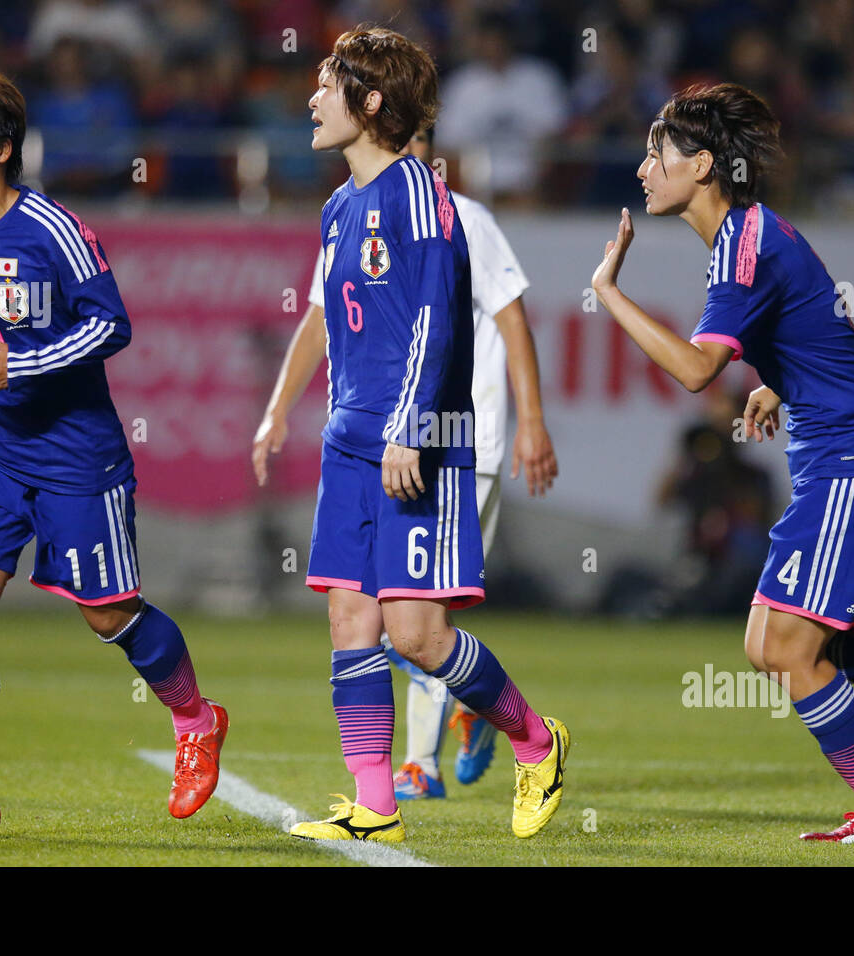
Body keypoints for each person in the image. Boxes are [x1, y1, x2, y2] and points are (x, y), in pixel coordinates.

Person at [590, 82, 854, 844]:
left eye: (654, 154)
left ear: (699, 166)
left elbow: (696, 371)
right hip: (843, 463)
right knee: (773, 645)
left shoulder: (743, 245)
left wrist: (609, 293)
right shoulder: (751, 234)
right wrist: (774, 382)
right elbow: (817, 327)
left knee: (791, 648)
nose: (641, 170)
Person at [0, 66, 226, 832]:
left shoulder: (53, 228)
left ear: (4, 149)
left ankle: (195, 721)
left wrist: (26, 363)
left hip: (75, 454)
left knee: (110, 616)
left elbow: (111, 323)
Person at [281, 27, 568, 842]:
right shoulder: (340, 206)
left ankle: (536, 740)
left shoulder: (419, 193)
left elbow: (437, 325)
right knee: (350, 623)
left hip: (422, 440)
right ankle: (376, 805)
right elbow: (346, 331)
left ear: (370, 103)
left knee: (418, 633)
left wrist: (409, 429)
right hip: (352, 442)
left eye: (326, 86)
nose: (311, 99)